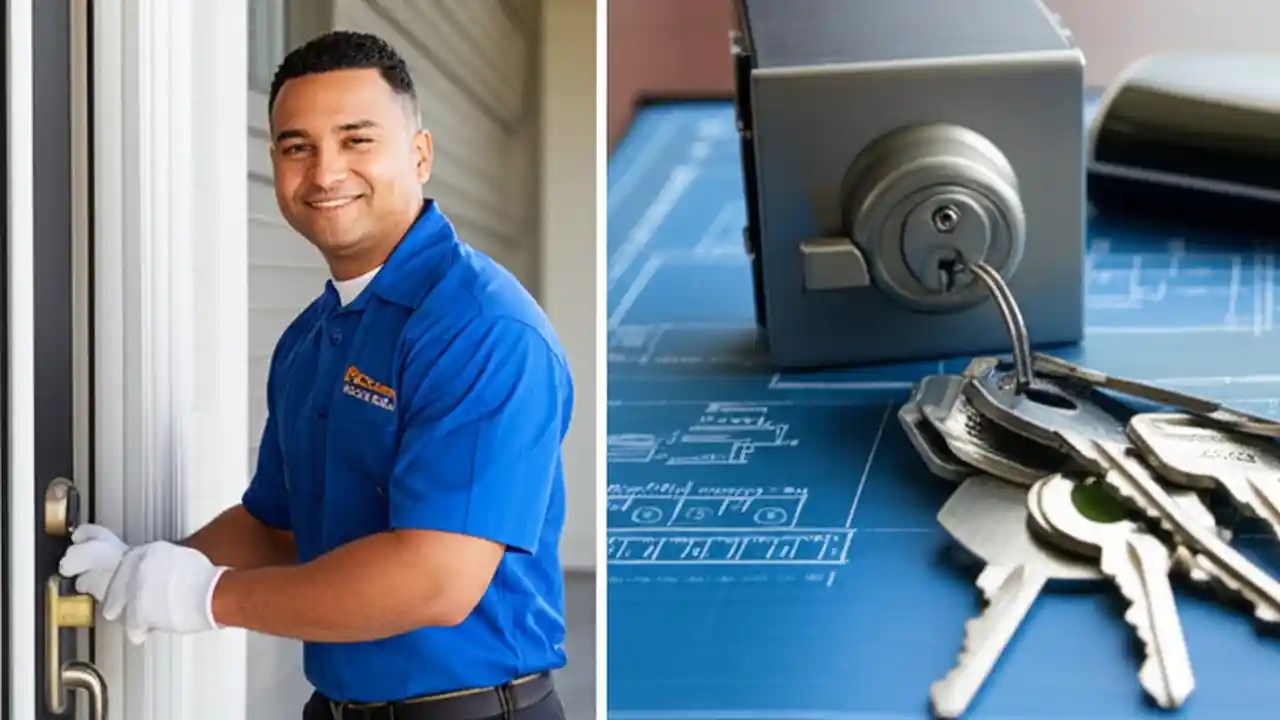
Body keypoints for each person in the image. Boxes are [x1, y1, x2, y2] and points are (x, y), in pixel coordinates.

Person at [58, 30, 572, 720]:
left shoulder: (480, 327)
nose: (325, 172)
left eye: (357, 140)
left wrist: (205, 596)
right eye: (298, 147)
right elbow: (277, 526)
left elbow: (435, 580)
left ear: (419, 153)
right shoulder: (313, 336)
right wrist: (141, 568)